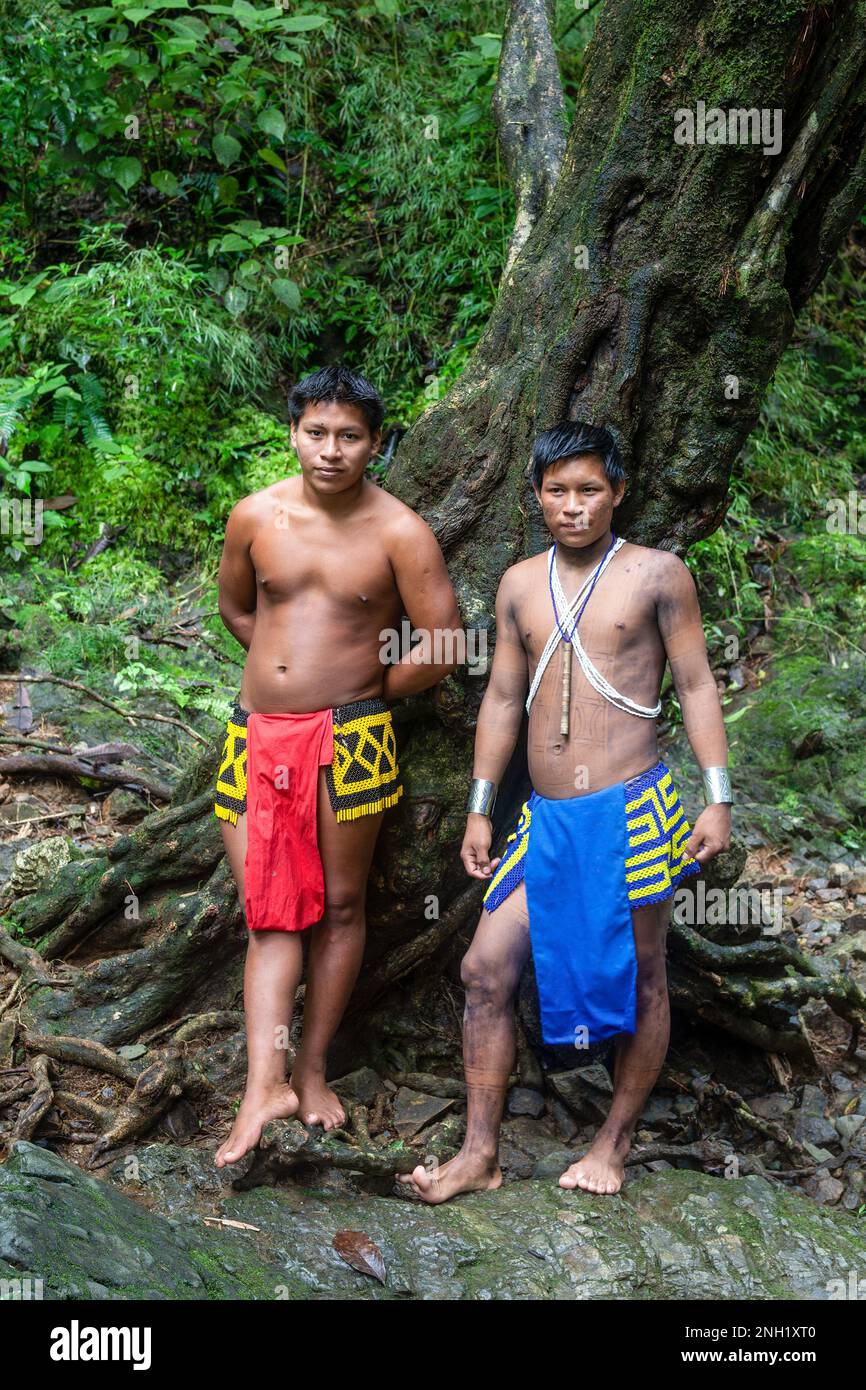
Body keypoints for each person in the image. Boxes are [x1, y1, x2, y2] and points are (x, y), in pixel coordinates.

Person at [400, 420, 732, 1202]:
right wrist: (482, 809)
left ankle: (612, 1144)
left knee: (645, 976)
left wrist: (717, 801)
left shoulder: (657, 575)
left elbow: (697, 688)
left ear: (617, 492)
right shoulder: (521, 583)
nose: (574, 506)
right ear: (538, 497)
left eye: (590, 490)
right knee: (484, 969)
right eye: (557, 491)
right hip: (543, 820)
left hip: (632, 810)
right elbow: (504, 698)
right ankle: (480, 1153)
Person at [214, 365, 462, 1166]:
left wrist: (366, 690)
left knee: (342, 908)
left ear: (375, 444)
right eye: (316, 433)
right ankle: (265, 1086)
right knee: (268, 909)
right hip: (257, 736)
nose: (330, 450)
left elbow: (446, 641)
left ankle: (314, 1072)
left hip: (354, 735)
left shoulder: (399, 531)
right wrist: (284, 672)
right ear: (293, 433)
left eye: (349, 436)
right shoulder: (255, 515)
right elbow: (236, 608)